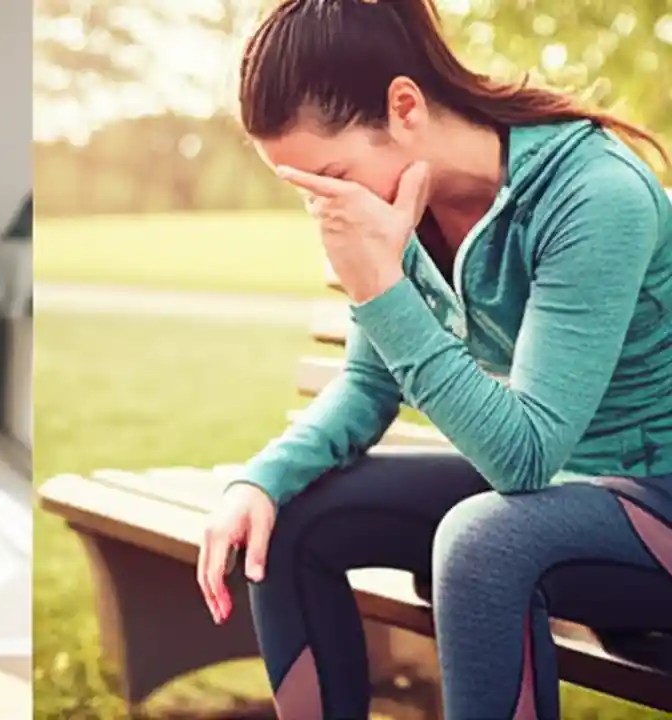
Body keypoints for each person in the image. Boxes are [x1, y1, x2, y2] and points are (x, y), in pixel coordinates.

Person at [195, 0, 672, 718]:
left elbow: (524, 456)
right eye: (309, 194)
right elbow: (365, 383)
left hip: (655, 500)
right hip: (566, 499)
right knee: (285, 519)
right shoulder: (402, 209)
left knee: (485, 542)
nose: (331, 213)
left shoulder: (594, 195)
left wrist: (380, 285)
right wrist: (258, 482)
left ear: (405, 105)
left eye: (334, 176)